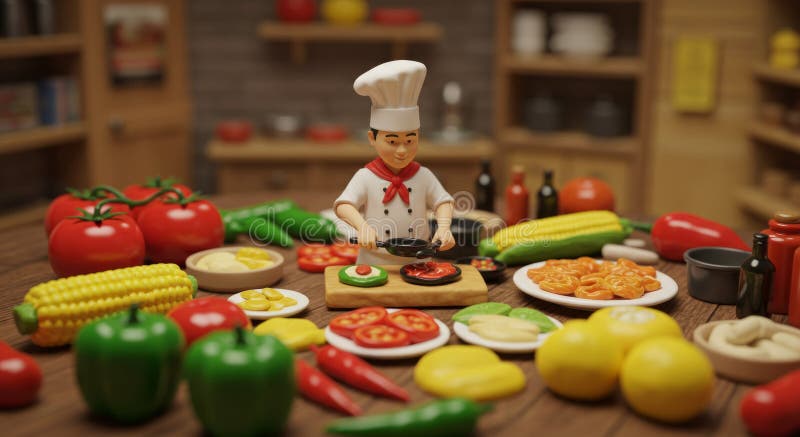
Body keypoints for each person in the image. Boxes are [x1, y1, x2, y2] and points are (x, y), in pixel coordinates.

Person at [334, 60, 455, 265]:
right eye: (392, 141)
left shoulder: (423, 175)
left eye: (410, 141)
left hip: (419, 260)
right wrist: (362, 227)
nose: (402, 150)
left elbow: (443, 201)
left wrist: (444, 228)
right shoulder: (366, 176)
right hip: (374, 259)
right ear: (372, 139)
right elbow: (344, 205)